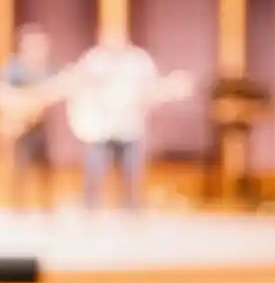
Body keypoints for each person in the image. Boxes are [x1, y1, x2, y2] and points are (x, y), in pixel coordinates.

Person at [63, 33, 192, 209]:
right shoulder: (94, 59)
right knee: (95, 168)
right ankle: (90, 206)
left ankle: (131, 208)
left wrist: (169, 88)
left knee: (132, 170)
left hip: (129, 127)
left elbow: (150, 90)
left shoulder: (138, 61)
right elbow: (77, 84)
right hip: (99, 128)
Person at [0, 24, 61, 212]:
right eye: (35, 44)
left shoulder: (49, 69)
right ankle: (18, 208)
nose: (41, 49)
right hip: (19, 126)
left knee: (45, 167)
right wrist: (19, 107)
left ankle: (47, 208)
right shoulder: (13, 68)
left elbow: (55, 90)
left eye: (43, 44)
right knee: (20, 167)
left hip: (40, 125)